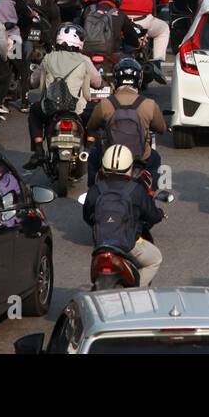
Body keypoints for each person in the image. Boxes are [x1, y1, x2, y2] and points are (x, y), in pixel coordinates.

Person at [83, 144, 165, 287]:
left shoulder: (95, 189)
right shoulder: (136, 190)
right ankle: (135, 291)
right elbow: (152, 216)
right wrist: (160, 214)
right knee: (155, 259)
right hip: (128, 246)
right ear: (130, 167)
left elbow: (87, 216)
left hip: (100, 247)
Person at [86, 57, 167, 184]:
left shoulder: (105, 104)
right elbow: (161, 128)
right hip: (140, 159)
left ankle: (92, 193)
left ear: (116, 79)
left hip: (110, 158)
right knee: (155, 158)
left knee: (93, 156)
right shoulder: (149, 104)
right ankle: (151, 196)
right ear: (139, 80)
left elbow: (91, 126)